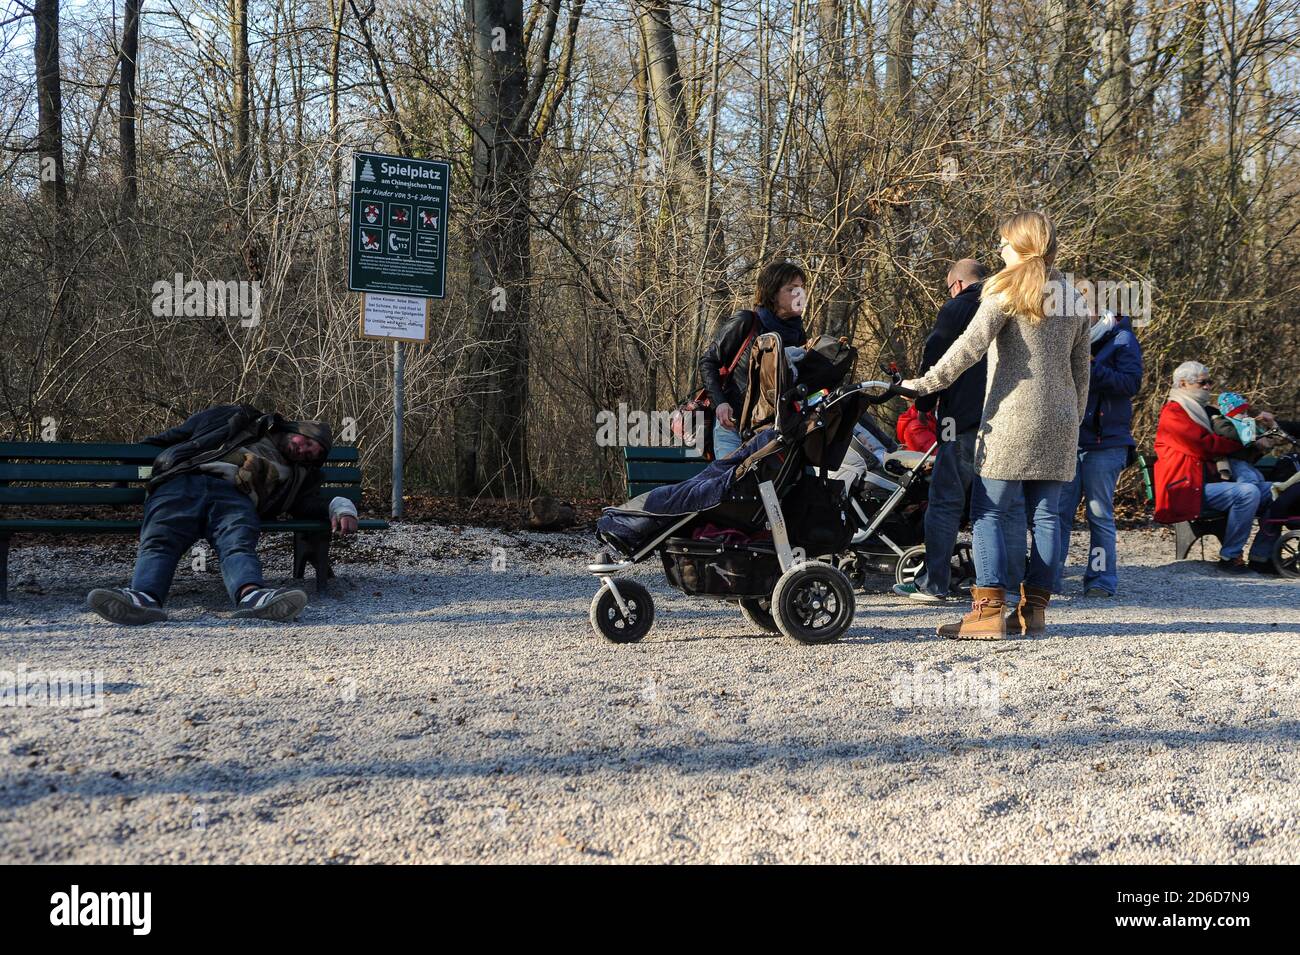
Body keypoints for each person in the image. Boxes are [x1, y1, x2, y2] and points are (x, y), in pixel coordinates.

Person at [901, 211, 1090, 639]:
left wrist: (925, 384)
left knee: (987, 510)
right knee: (1047, 518)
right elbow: (1083, 370)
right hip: (1060, 419)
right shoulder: (1074, 298)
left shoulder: (1006, 288)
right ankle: (1032, 614)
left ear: (1022, 244)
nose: (1000, 250)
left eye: (1003, 242)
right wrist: (1074, 417)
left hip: (1012, 417)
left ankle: (986, 614)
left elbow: (968, 347)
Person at [86, 404, 359, 625]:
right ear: (298, 429)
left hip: (236, 498)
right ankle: (142, 599)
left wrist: (342, 508)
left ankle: (252, 597)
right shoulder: (235, 418)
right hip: (182, 481)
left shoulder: (297, 476)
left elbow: (311, 504)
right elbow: (170, 438)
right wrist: (122, 474)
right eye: (309, 443)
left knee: (238, 542)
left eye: (314, 455)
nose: (307, 452)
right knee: (162, 536)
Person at [893, 258, 1026, 605]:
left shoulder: (957, 308)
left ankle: (933, 582)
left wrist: (922, 405)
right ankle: (1011, 585)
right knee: (1004, 507)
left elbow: (936, 358)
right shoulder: (1015, 303)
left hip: (960, 421)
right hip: (1008, 420)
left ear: (956, 284)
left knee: (945, 502)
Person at [1052, 310, 1144, 597]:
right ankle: (1048, 580)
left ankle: (1100, 580)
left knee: (1099, 514)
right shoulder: (1064, 339)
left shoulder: (1122, 339)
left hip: (1106, 444)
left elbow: (1131, 384)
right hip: (1069, 440)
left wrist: (1092, 368)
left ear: (1095, 310)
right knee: (1057, 514)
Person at [1153, 363, 1277, 572]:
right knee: (1247, 492)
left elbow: (1226, 435)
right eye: (1203, 382)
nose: (1209, 386)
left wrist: (1258, 434)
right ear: (1183, 384)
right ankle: (1230, 557)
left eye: (1210, 382)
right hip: (1186, 488)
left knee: (1278, 490)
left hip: (1209, 484)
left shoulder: (1202, 411)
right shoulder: (1174, 413)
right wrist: (1245, 441)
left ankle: (1262, 556)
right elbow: (1205, 445)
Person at [700, 261, 808, 460]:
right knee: (730, 484)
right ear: (773, 294)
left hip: (772, 433)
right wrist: (720, 403)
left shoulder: (799, 335)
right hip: (732, 425)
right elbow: (708, 362)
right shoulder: (747, 321)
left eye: (802, 288)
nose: (800, 295)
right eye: (792, 289)